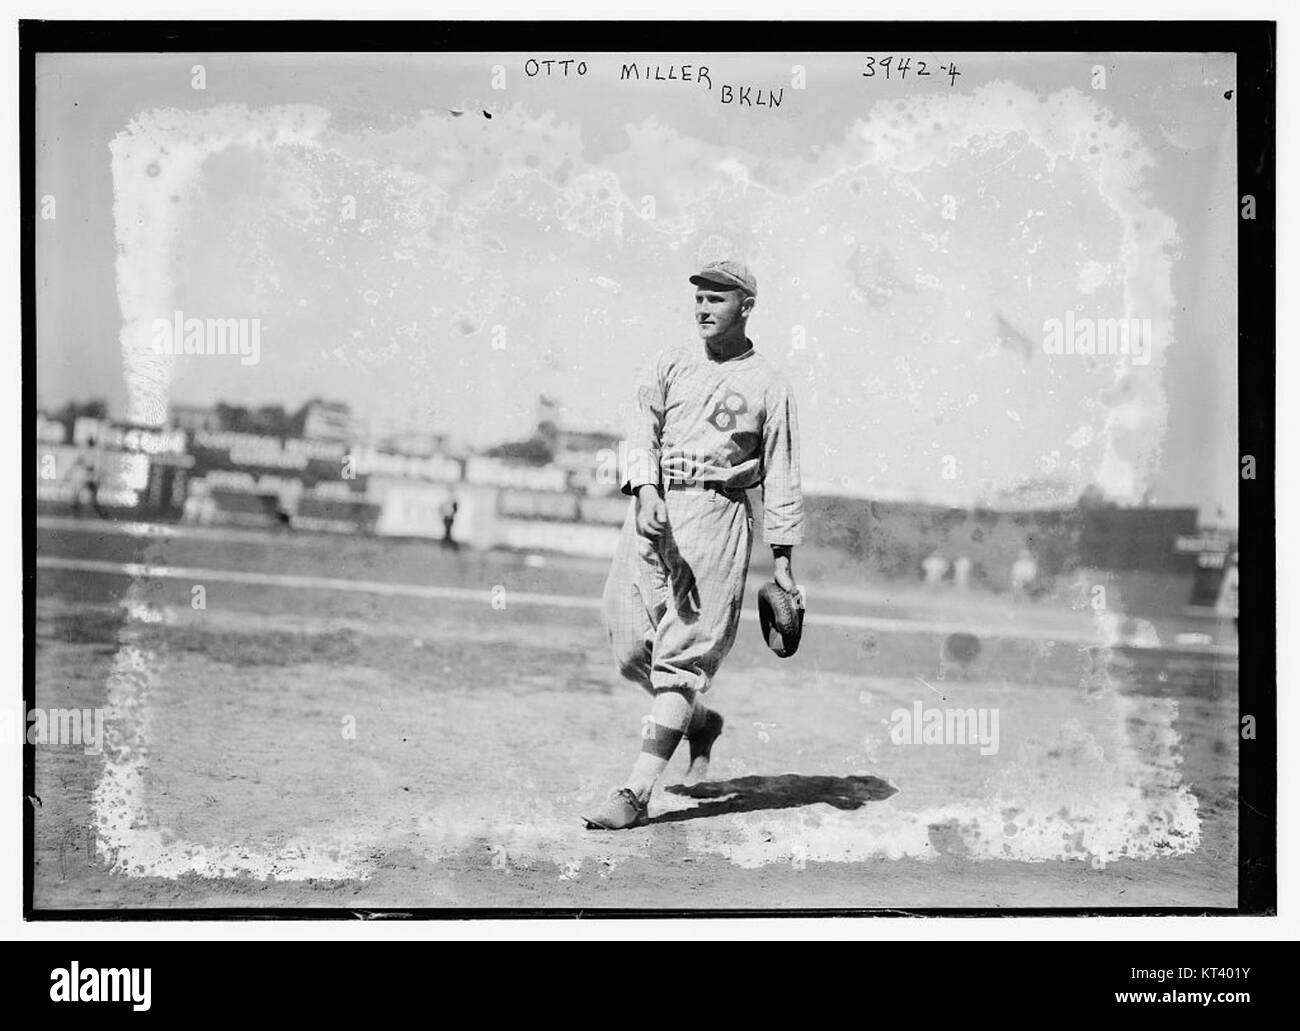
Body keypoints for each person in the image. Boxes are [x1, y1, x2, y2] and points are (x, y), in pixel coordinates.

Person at [583, 259, 805, 830]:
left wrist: (782, 562)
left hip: (718, 512)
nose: (704, 308)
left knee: (681, 661)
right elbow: (641, 430)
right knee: (632, 644)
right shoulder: (670, 363)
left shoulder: (769, 384)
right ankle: (698, 722)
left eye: (717, 299)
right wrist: (645, 487)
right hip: (654, 508)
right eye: (699, 298)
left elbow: (781, 473)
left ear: (746, 306)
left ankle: (635, 792)